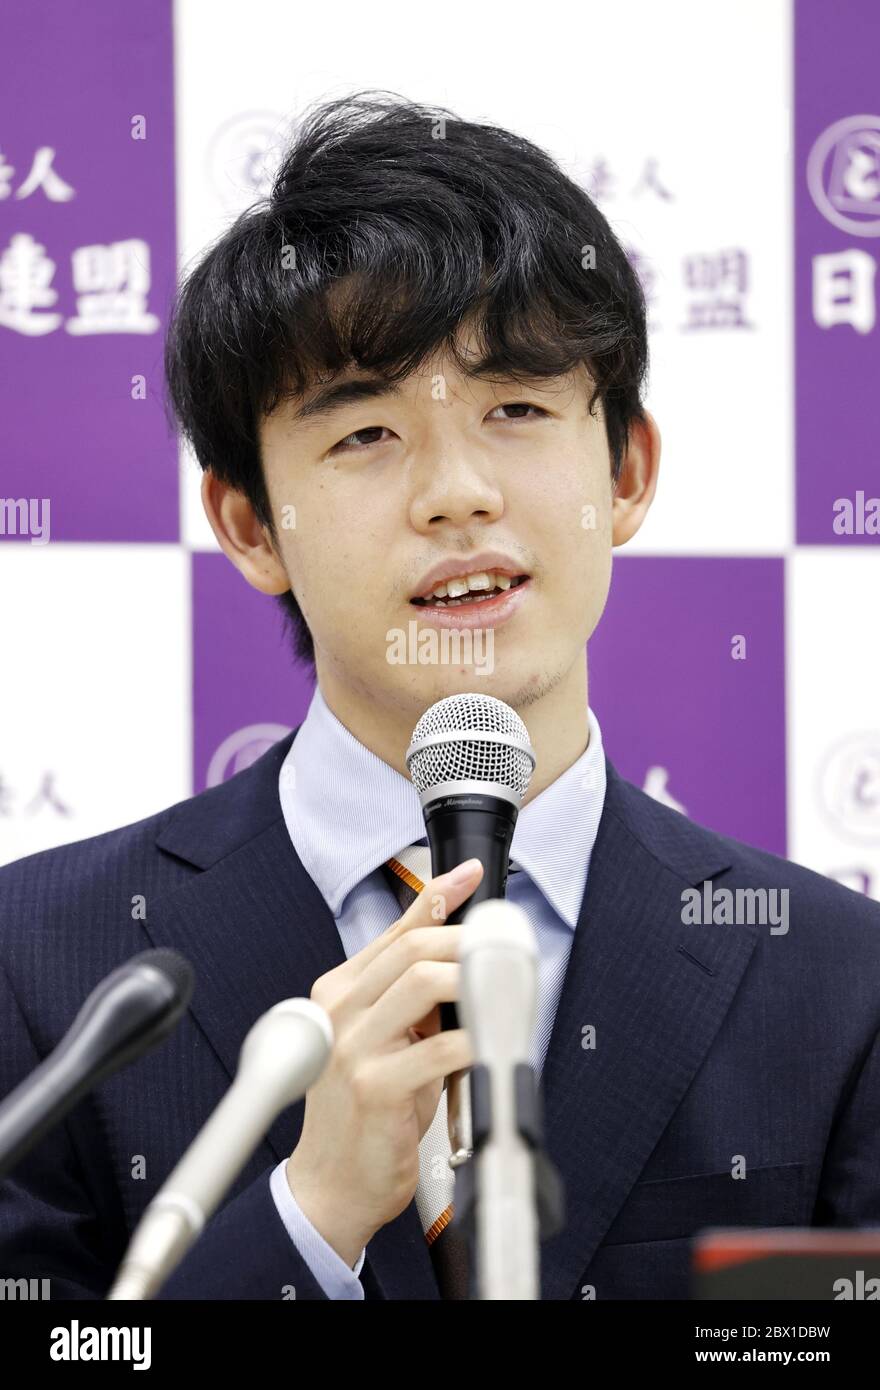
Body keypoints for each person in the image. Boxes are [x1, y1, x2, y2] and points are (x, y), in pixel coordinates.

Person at [1, 92, 878, 1301]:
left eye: (514, 408)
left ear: (623, 473)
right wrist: (307, 1220)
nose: (456, 492)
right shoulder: (46, 965)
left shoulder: (839, 982)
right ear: (252, 523)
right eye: (364, 433)